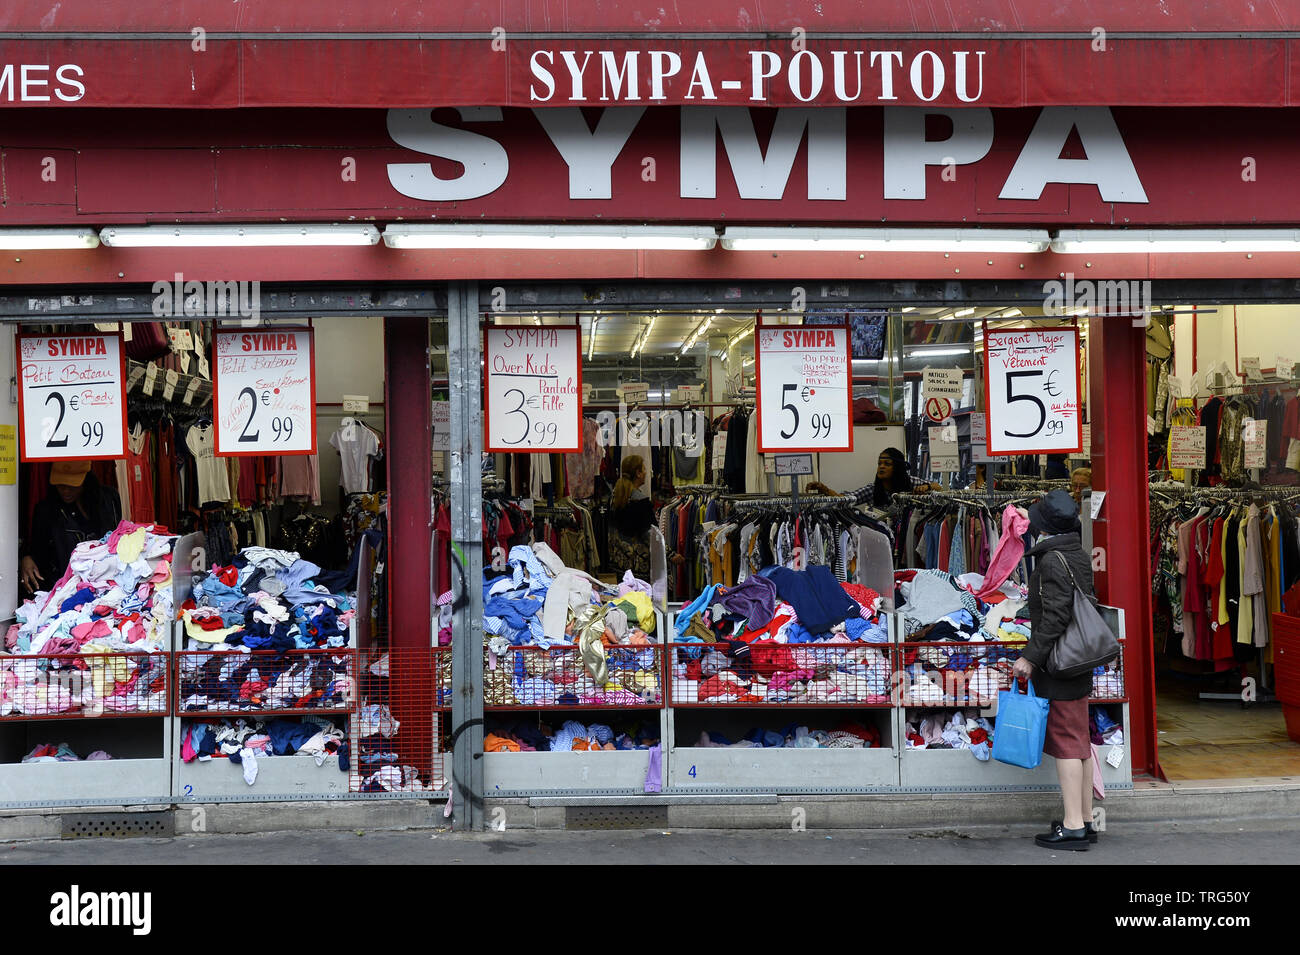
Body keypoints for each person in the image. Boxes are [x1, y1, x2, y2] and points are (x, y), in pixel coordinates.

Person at [1011, 489, 1098, 851]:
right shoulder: (1076, 553)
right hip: (1079, 658)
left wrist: (1030, 658)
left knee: (1066, 744)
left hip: (1061, 663)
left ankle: (1073, 826)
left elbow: (1055, 617)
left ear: (1045, 527)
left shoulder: (1050, 561)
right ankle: (1086, 819)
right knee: (1080, 742)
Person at [19, 461, 123, 595]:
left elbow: (116, 537)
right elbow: (38, 548)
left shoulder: (108, 500)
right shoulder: (47, 509)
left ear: (85, 479)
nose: (65, 491)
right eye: (60, 485)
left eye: (72, 485)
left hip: (104, 579)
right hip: (62, 583)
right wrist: (27, 557)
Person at [609, 455, 653, 580]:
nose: (646, 473)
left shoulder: (615, 497)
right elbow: (650, 534)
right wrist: (670, 554)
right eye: (644, 469)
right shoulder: (641, 501)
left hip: (619, 563)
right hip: (638, 565)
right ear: (638, 473)